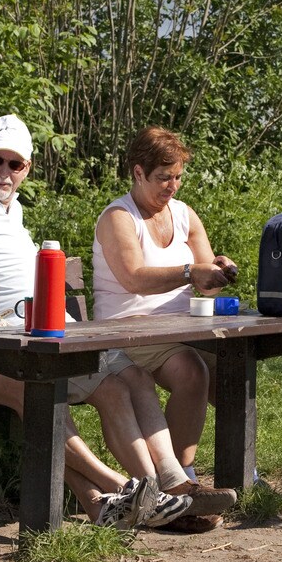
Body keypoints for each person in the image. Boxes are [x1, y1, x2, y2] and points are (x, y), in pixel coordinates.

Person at [0, 115, 231, 527]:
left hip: (54, 325)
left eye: (16, 164)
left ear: (28, 168)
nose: (5, 171)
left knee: (132, 380)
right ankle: (146, 495)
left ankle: (170, 484)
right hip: (6, 335)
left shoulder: (12, 209)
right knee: (175, 371)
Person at [91, 126, 241, 519]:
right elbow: (133, 278)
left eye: (177, 177)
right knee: (191, 370)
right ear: (138, 172)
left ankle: (241, 472)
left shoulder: (184, 214)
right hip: (128, 328)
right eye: (163, 178)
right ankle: (181, 481)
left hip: (180, 328)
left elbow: (206, 282)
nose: (172, 186)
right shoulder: (119, 217)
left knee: (233, 369)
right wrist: (191, 272)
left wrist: (219, 271)